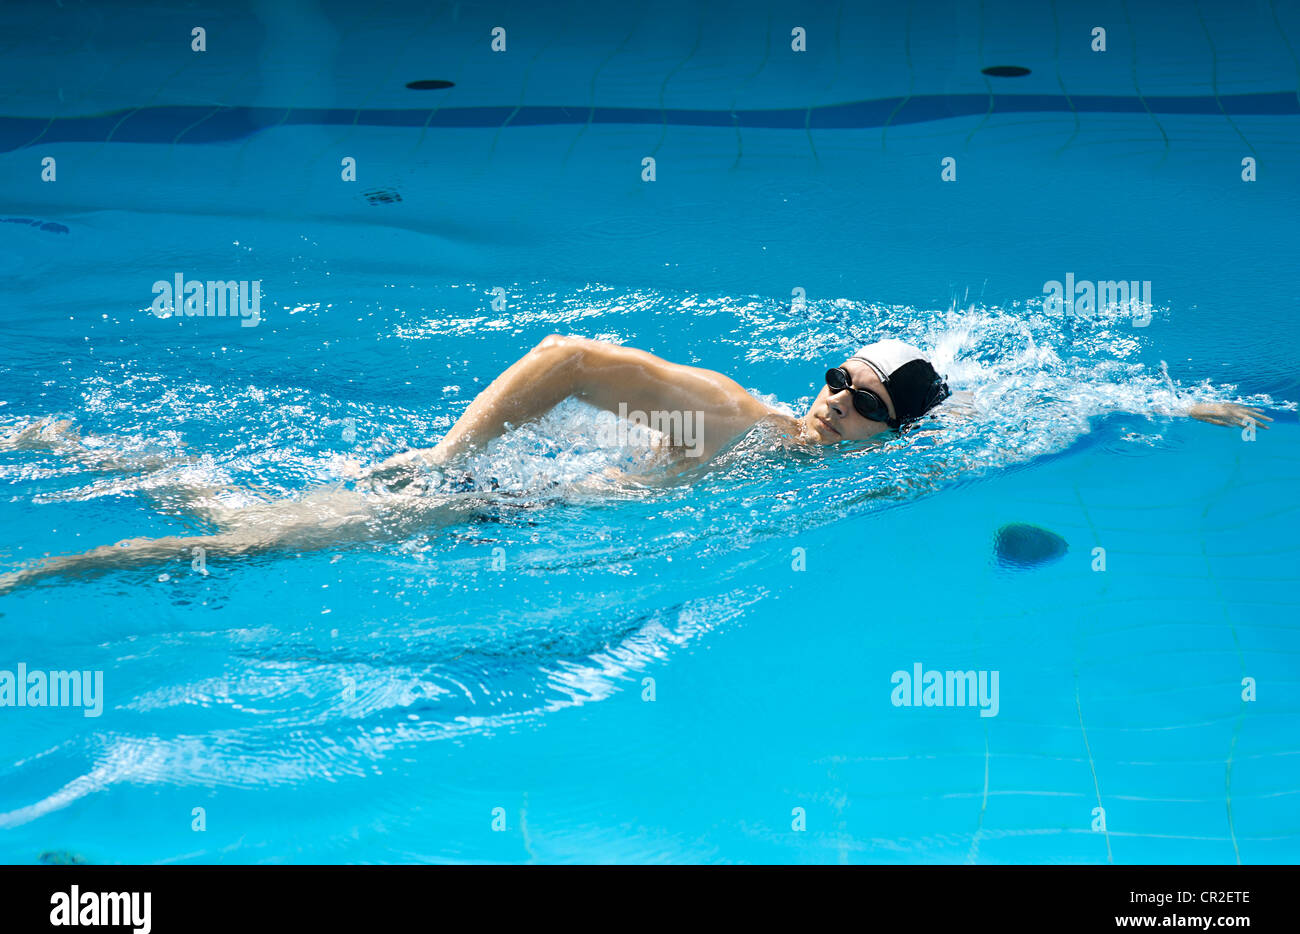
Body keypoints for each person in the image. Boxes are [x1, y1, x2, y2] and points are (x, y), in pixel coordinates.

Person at [0, 334, 1272, 592]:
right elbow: (561, 357)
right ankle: (45, 566)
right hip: (483, 504)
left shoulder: (885, 454)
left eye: (864, 399)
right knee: (245, 546)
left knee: (243, 506)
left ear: (900, 432)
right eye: (836, 376)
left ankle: (54, 444)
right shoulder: (746, 426)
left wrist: (1185, 406)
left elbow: (1041, 394)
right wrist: (451, 465)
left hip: (501, 509)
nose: (832, 399)